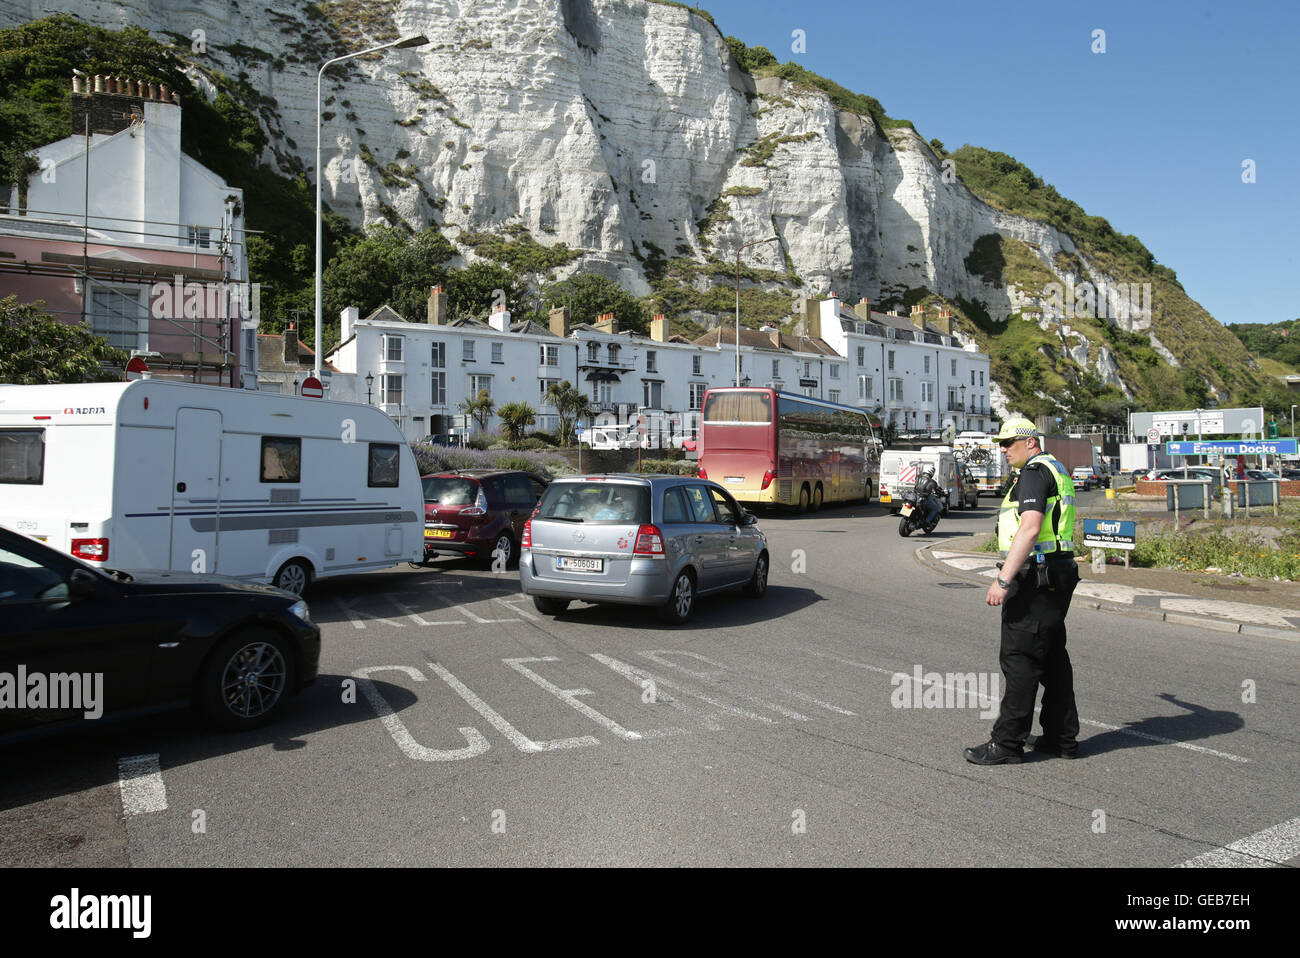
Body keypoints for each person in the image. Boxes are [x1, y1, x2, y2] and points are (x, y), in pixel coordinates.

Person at [965, 417, 1081, 765]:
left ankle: (1007, 743)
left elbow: (1029, 530)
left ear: (1031, 442)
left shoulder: (1033, 472)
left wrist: (1003, 580)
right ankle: (1061, 738)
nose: (1003, 449)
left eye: (1008, 442)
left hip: (1035, 577)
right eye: (1000, 443)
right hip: (1058, 573)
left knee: (1020, 659)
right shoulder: (1056, 468)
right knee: (1052, 657)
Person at [913, 466, 945, 531]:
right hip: (923, 498)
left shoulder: (918, 476)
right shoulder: (932, 482)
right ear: (932, 472)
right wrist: (940, 493)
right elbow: (936, 490)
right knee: (935, 509)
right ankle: (927, 522)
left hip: (914, 496)